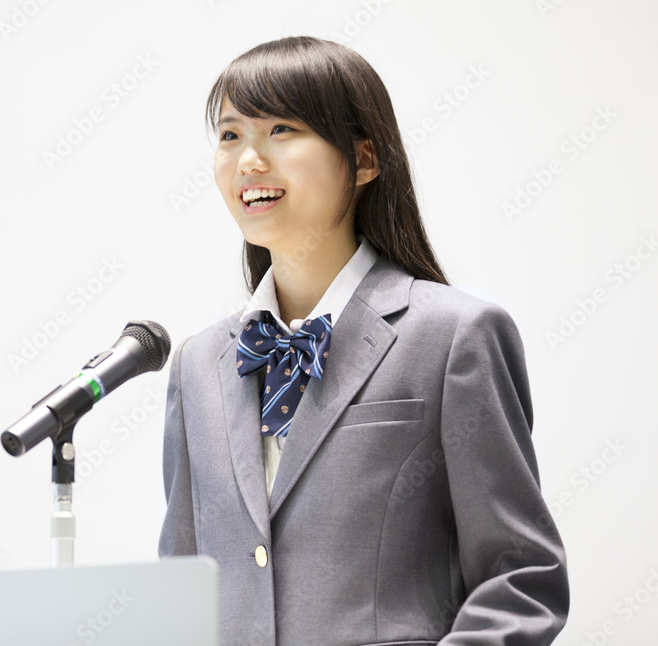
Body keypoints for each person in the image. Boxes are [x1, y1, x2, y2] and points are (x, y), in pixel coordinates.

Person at [158, 36, 569, 646]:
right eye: (229, 135)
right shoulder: (197, 364)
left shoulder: (454, 337)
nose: (248, 160)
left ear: (366, 159)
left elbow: (522, 579)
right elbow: (182, 590)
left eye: (281, 129)